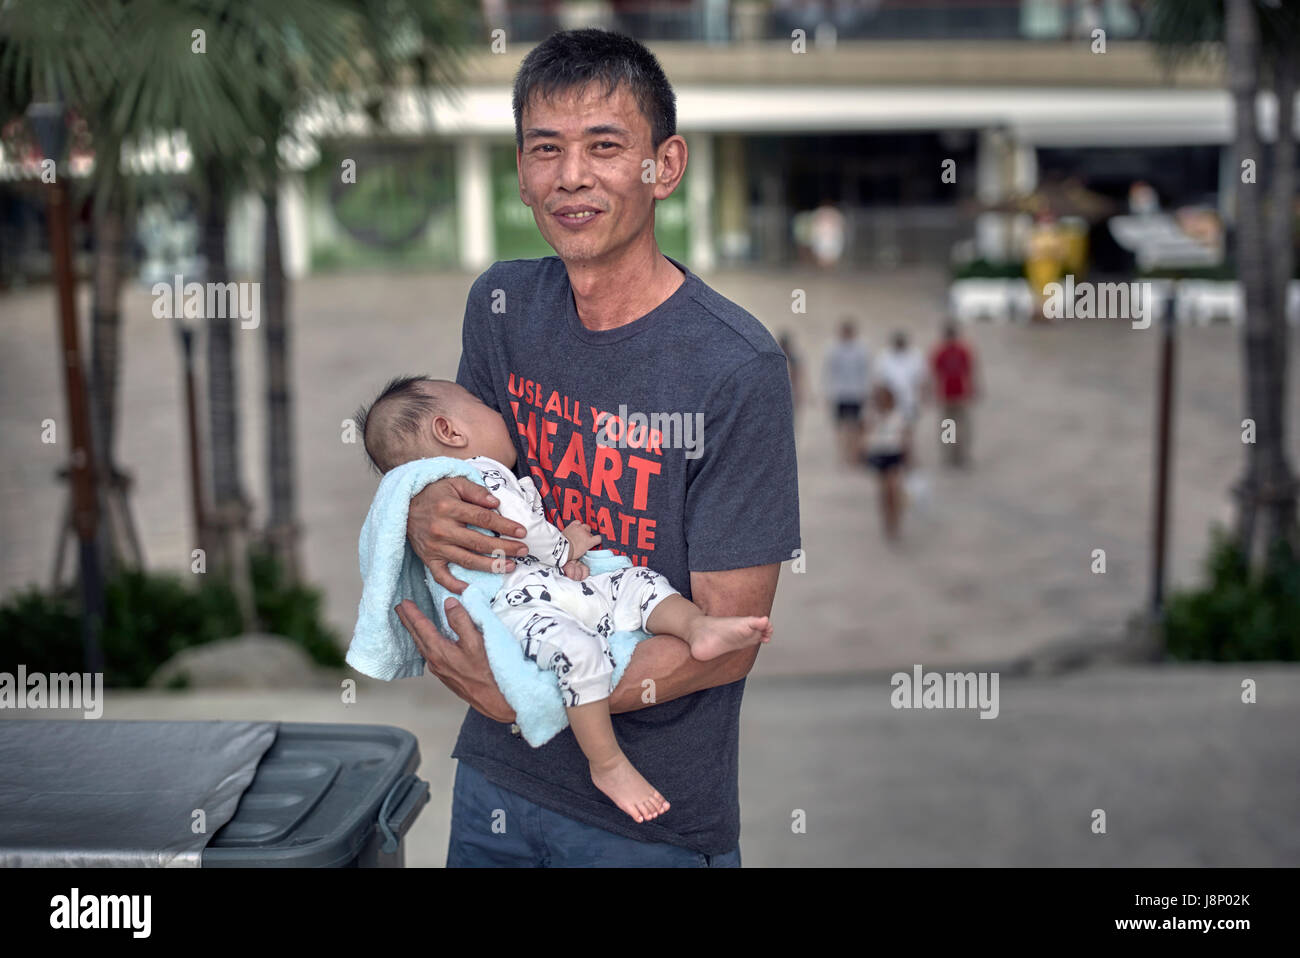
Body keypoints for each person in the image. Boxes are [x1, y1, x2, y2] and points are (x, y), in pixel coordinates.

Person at [396, 29, 800, 868]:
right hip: (498, 789)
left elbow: (727, 640)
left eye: (604, 146)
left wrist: (526, 696)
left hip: (649, 823)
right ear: (520, 170)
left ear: (667, 166)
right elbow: (466, 483)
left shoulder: (736, 366)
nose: (571, 176)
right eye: (546, 148)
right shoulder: (502, 304)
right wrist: (424, 506)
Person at [356, 376, 773, 824]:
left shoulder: (444, 486)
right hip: (520, 611)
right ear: (450, 431)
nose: (498, 410)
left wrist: (559, 569)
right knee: (594, 636)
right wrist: (564, 548)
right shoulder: (476, 476)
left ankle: (698, 627)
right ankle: (608, 763)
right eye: (479, 402)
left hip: (546, 591)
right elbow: (521, 531)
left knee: (633, 584)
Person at [859, 383, 910, 542]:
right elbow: (864, 435)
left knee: (893, 487)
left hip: (893, 454)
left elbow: (905, 437)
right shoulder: (871, 415)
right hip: (879, 454)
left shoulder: (898, 415)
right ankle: (887, 519)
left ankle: (896, 517)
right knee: (883, 491)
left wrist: (908, 455)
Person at [929, 323, 978, 468]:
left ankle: (961, 455)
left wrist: (972, 389)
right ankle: (949, 456)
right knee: (949, 426)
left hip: (959, 394)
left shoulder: (962, 351)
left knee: (960, 426)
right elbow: (935, 374)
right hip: (947, 394)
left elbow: (969, 371)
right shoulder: (941, 352)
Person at [823, 319, 871, 465]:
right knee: (841, 427)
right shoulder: (833, 349)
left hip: (856, 392)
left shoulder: (861, 349)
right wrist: (828, 392)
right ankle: (842, 456)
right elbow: (828, 372)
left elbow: (865, 372)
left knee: (855, 427)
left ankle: (854, 456)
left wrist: (866, 392)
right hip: (840, 392)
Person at [874, 329, 927, 426]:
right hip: (890, 400)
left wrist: (923, 397)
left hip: (910, 398)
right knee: (892, 428)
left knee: (909, 426)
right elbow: (879, 380)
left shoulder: (915, 355)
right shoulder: (884, 356)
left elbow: (921, 378)